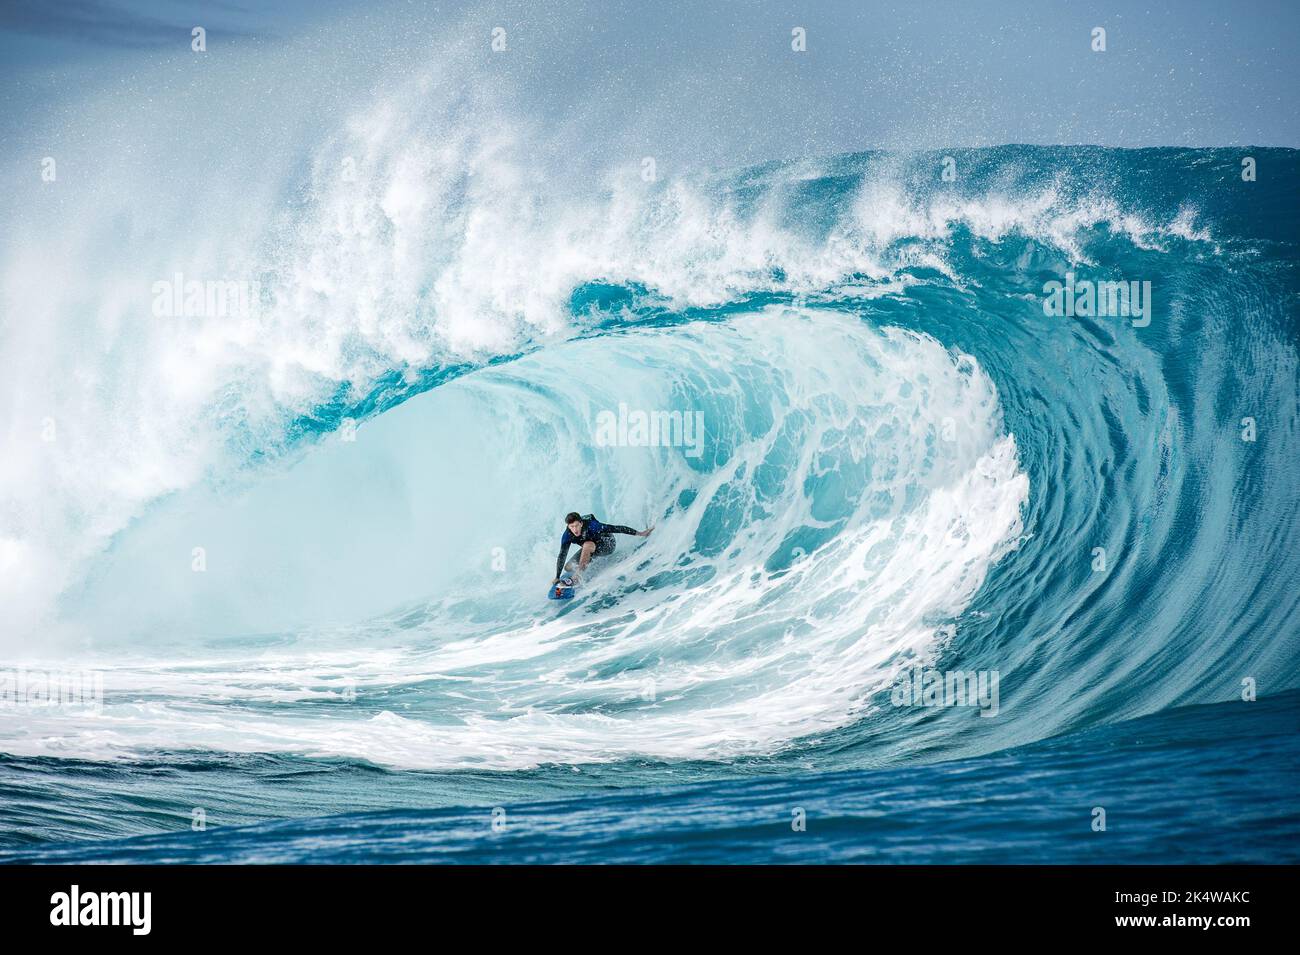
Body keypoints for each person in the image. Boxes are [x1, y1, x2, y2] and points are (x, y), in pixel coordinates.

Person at [553, 511, 652, 583]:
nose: (575, 529)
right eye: (571, 527)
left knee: (587, 544)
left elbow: (615, 528)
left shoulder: (592, 526)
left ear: (581, 523)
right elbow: (562, 555)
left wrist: (640, 533)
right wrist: (557, 576)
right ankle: (585, 562)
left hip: (607, 544)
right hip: (592, 549)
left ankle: (577, 576)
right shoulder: (567, 535)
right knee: (568, 567)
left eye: (576, 525)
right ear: (568, 526)